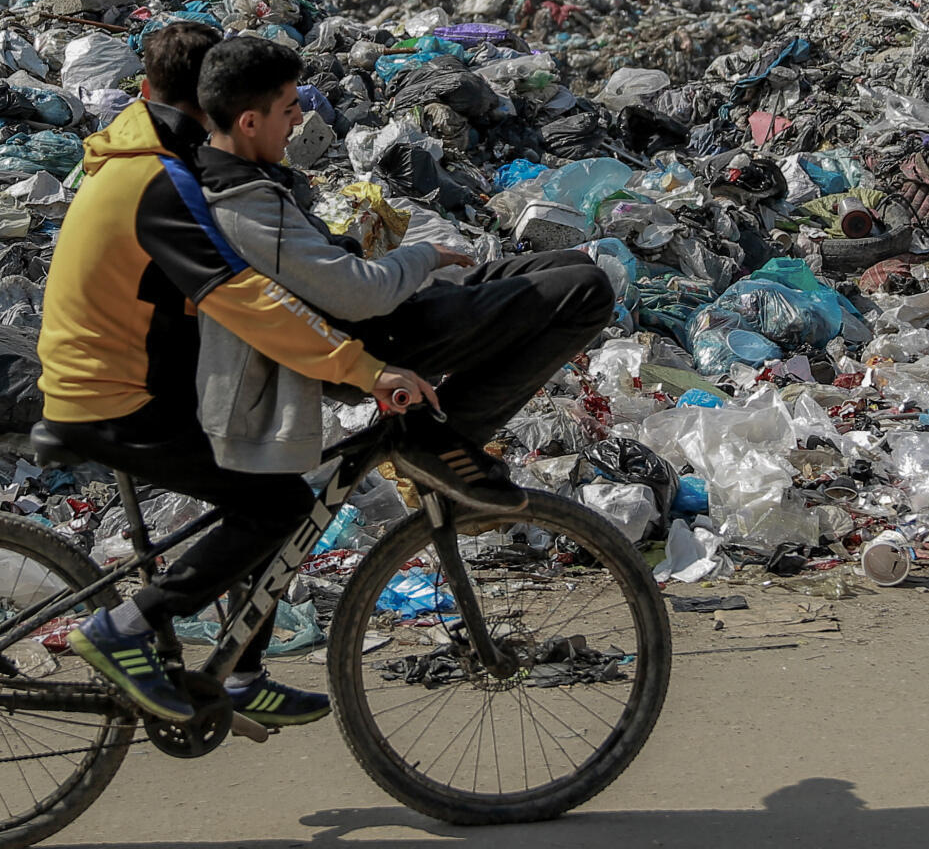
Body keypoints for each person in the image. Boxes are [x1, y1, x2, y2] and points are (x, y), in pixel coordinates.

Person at [38, 20, 435, 730]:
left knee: (264, 480)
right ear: (214, 102)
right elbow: (244, 297)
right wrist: (364, 368)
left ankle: (244, 669)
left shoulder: (135, 146)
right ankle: (124, 627)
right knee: (278, 505)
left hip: (108, 375)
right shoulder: (164, 179)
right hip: (113, 394)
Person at [187, 35, 615, 510]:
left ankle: (438, 431)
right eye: (288, 110)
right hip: (374, 335)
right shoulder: (244, 206)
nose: (298, 121)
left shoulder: (244, 180)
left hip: (387, 315)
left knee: (570, 265)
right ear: (248, 122)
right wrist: (423, 256)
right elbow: (356, 295)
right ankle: (440, 441)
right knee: (587, 291)